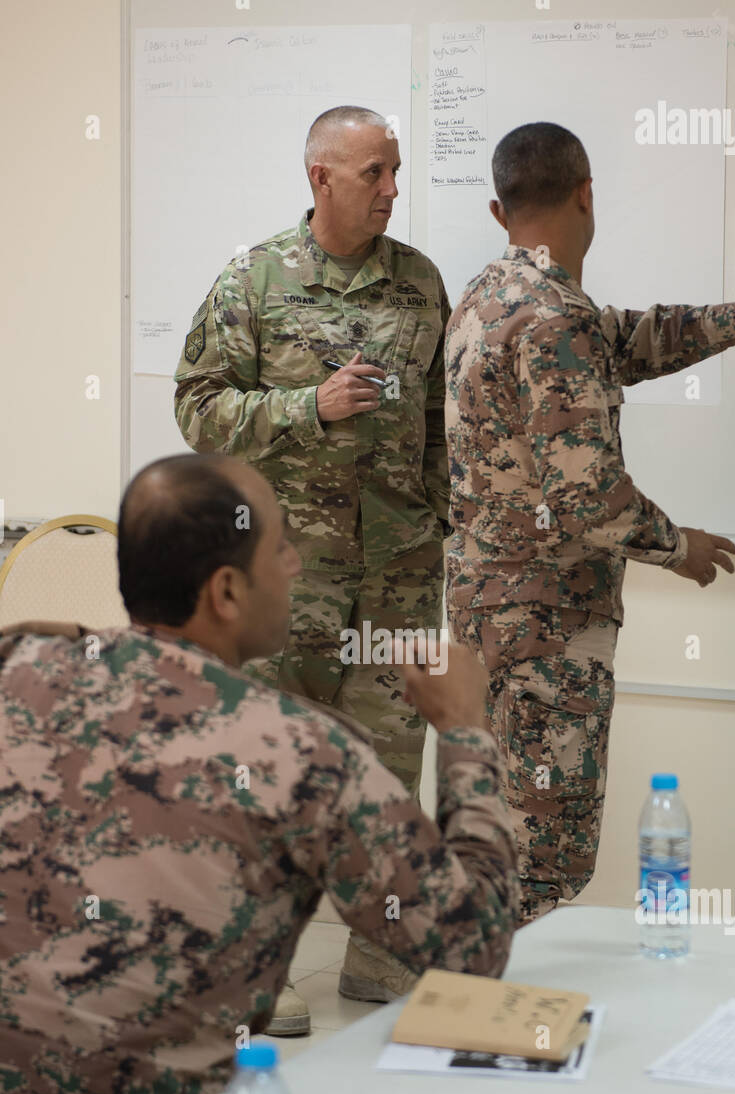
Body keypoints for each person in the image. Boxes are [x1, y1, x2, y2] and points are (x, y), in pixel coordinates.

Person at [0, 454, 518, 1094]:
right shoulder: (303, 752)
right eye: (282, 548)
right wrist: (465, 731)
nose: (295, 566)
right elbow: (472, 944)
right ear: (225, 591)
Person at [445, 121, 735, 924]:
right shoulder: (556, 317)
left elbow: (629, 337)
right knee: (545, 859)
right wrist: (680, 548)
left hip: (479, 621)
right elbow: (589, 493)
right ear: (588, 194)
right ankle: (493, 1032)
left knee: (490, 842)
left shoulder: (488, 302)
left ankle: (466, 1014)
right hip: (547, 634)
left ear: (499, 210)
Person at [174, 106, 452, 1031]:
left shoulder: (420, 284)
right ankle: (264, 970)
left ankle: (377, 960)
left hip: (400, 574)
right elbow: (198, 410)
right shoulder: (251, 283)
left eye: (396, 171)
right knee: (269, 772)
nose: (391, 190)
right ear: (320, 178)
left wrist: (446, 524)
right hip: (287, 579)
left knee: (389, 767)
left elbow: (443, 425)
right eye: (374, 172)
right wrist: (308, 407)